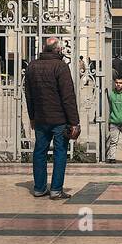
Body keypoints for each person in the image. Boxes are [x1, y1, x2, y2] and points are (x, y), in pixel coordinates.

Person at [24, 36, 81, 199]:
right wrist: (74, 121)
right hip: (59, 120)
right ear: (58, 49)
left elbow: (28, 95)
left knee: (39, 152)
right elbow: (68, 97)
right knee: (60, 152)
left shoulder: (32, 66)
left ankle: (39, 188)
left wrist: (32, 116)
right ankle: (56, 189)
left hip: (41, 118)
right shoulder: (60, 66)